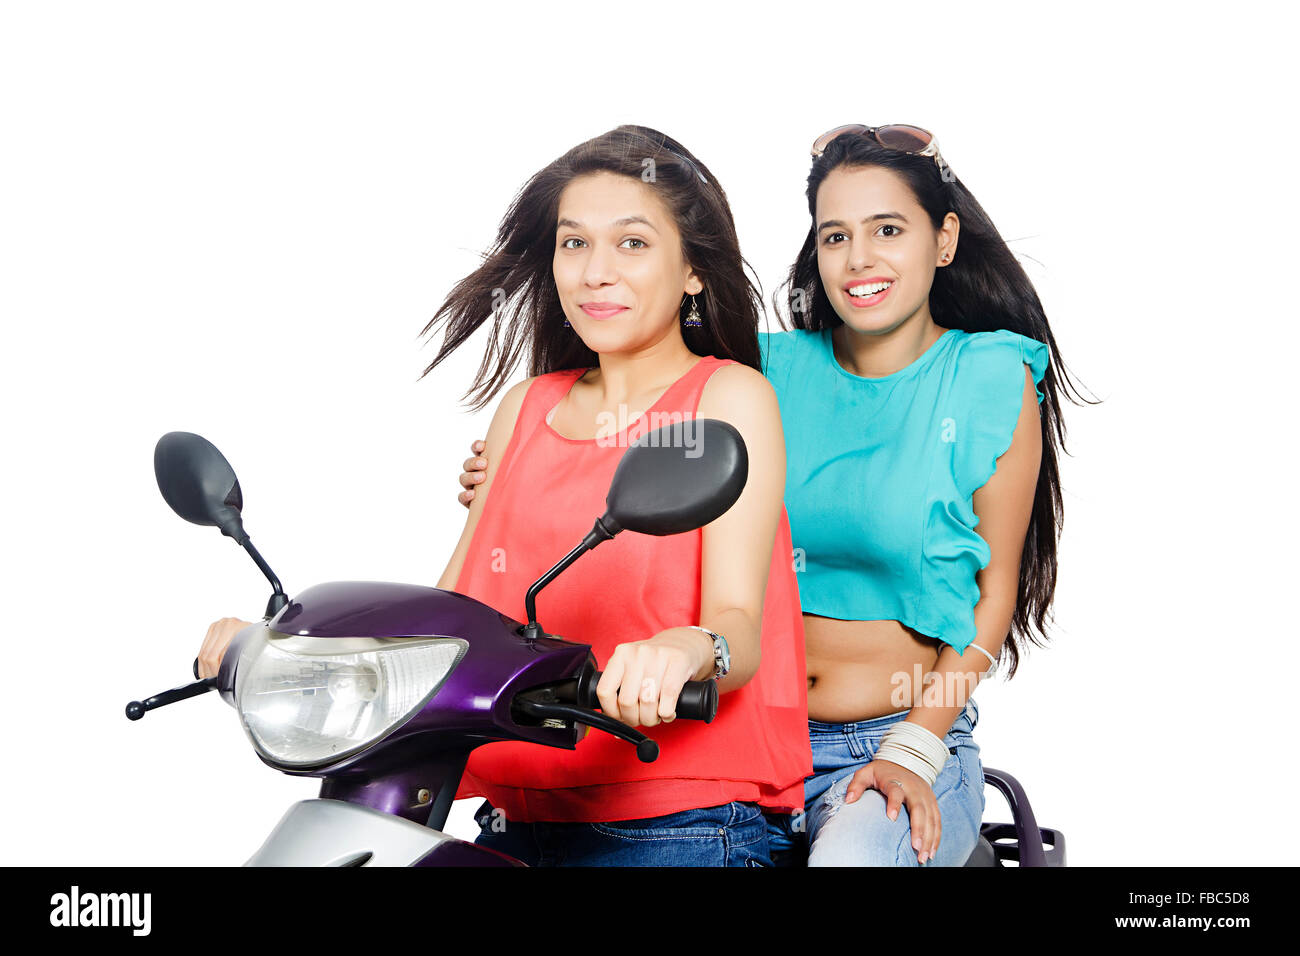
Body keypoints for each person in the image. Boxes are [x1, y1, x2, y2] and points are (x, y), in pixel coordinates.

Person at [455, 123, 1091, 866]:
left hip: (882, 735)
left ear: (943, 240)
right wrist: (512, 472)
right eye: (834, 236)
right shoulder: (767, 370)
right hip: (749, 742)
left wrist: (919, 743)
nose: (859, 259)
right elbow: (651, 426)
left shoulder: (985, 375)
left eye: (888, 229)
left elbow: (995, 594)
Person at [196, 125, 812, 867]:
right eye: (574, 243)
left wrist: (684, 651)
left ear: (692, 271)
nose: (594, 273)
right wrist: (282, 646)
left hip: (679, 823)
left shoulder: (728, 397)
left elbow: (740, 625)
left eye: (633, 244)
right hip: (511, 819)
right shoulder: (526, 407)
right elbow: (454, 607)